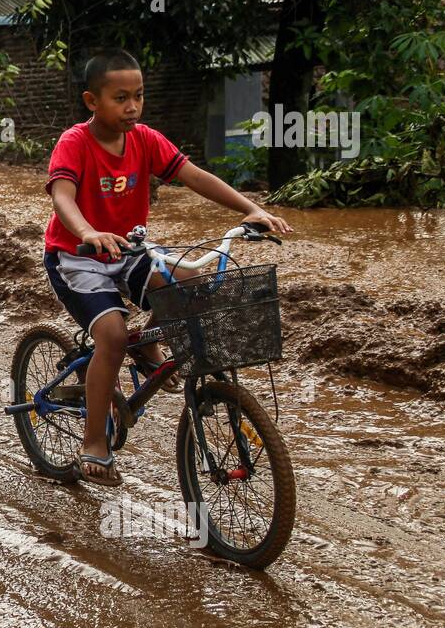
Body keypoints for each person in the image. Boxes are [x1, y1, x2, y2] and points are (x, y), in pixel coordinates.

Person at [42, 50, 293, 486]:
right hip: (77, 257)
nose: (132, 107)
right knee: (113, 335)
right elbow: (63, 197)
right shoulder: (75, 143)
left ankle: (146, 344)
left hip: (129, 251)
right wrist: (87, 231)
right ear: (91, 101)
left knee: (193, 282)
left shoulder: (145, 139)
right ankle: (94, 444)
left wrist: (253, 209)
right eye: (120, 98)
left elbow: (195, 177)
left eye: (138, 96)